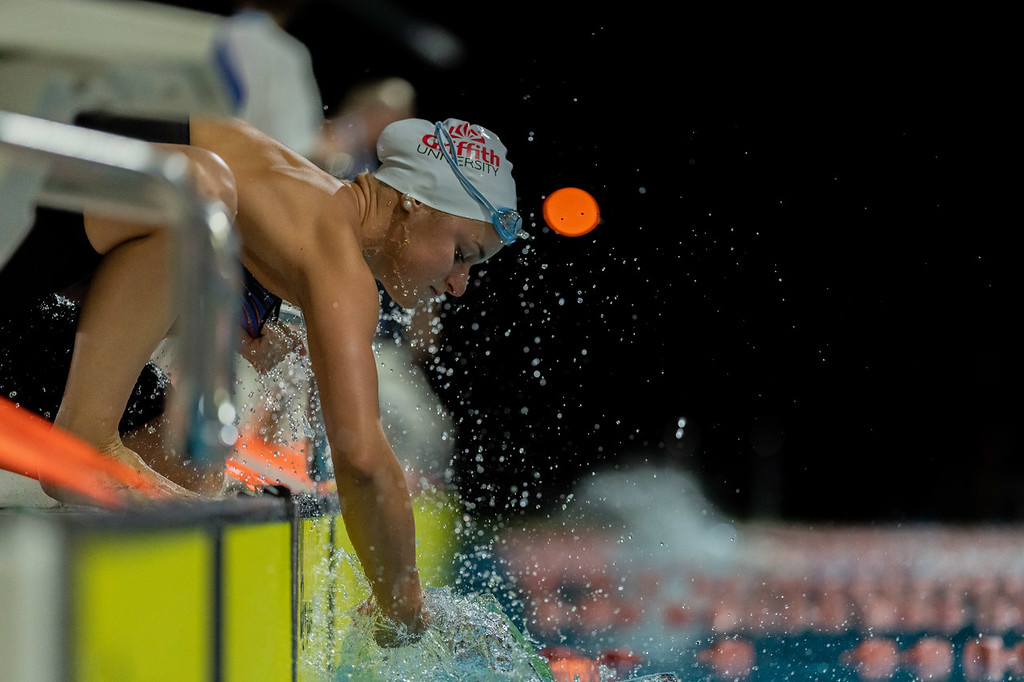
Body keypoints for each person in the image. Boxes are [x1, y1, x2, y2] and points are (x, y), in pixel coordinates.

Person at [0, 114, 523, 637]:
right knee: (195, 187)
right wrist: (404, 601)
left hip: (27, 302)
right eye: (461, 255)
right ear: (414, 202)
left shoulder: (296, 208)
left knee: (189, 468)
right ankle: (87, 440)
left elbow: (87, 264)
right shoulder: (331, 251)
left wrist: (225, 318)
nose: (459, 285)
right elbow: (361, 458)